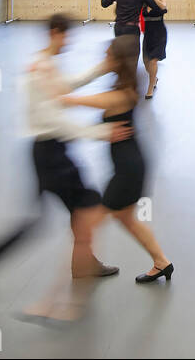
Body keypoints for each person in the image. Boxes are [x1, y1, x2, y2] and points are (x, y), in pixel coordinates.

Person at [0, 13, 132, 323]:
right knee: (85, 205)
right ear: (55, 33)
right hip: (51, 153)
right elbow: (53, 118)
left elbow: (65, 88)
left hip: (48, 151)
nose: (69, 42)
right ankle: (66, 284)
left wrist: (101, 68)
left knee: (53, 216)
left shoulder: (45, 64)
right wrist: (101, 132)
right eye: (67, 35)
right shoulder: (39, 69)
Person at [64, 34, 174, 285]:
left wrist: (46, 89)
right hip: (130, 166)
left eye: (107, 56)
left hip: (127, 172)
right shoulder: (126, 86)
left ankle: (78, 273)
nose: (103, 60)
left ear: (116, 61)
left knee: (87, 222)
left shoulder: (119, 96)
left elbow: (71, 100)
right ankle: (162, 262)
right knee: (126, 219)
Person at [139, 0, 169, 99]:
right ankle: (154, 78)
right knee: (146, 62)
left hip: (159, 34)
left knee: (153, 61)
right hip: (148, 35)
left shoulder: (161, 0)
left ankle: (150, 87)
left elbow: (163, 8)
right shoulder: (144, 4)